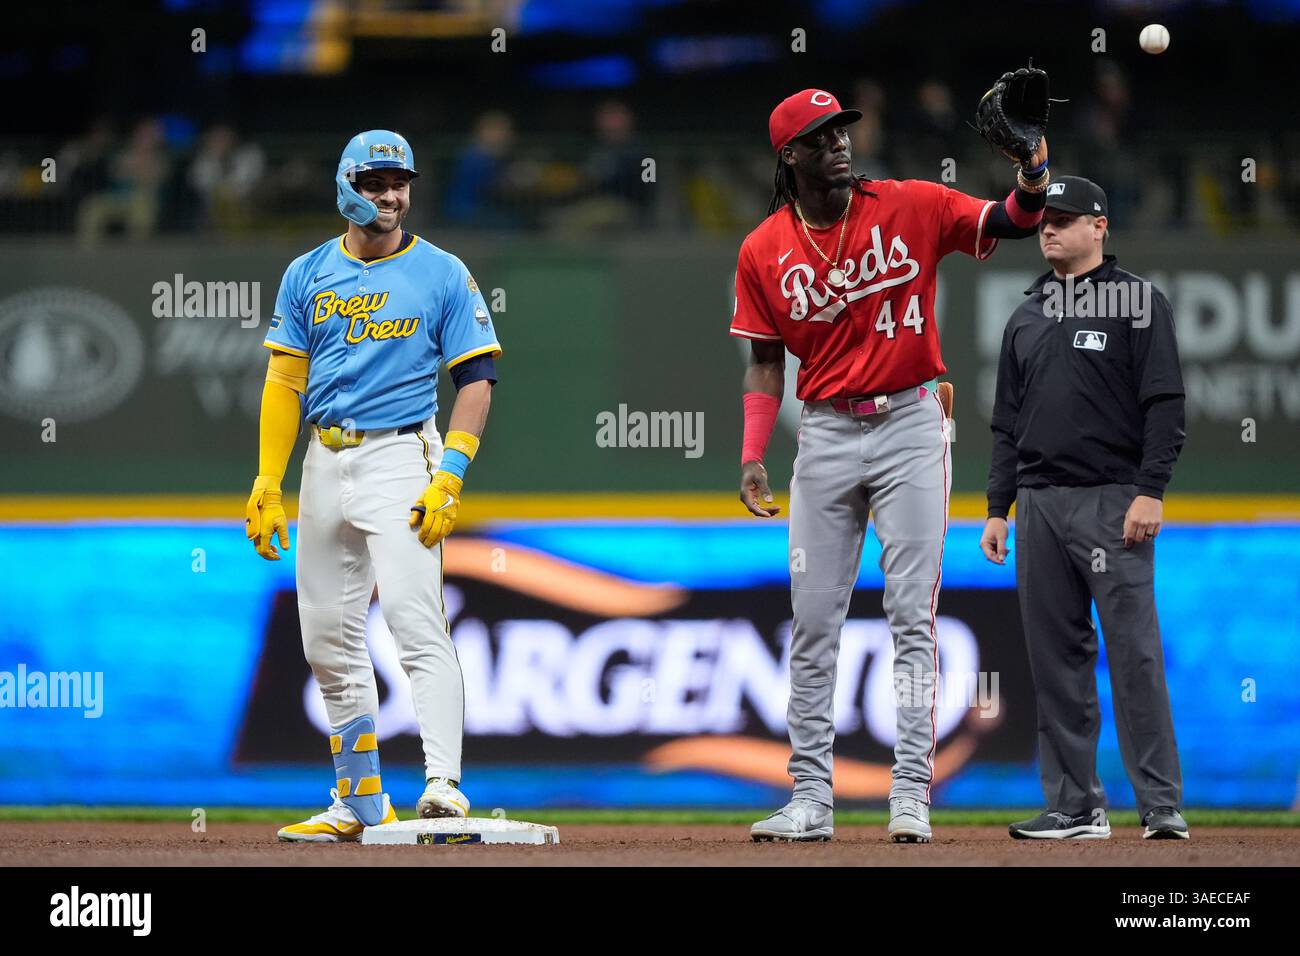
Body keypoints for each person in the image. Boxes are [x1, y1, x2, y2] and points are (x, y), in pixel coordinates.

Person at [733, 87, 1052, 843]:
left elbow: (1011, 220)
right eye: (822, 136)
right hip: (826, 433)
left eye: (843, 129)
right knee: (812, 623)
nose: (841, 143)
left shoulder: (909, 202)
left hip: (911, 421)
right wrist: (752, 455)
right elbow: (764, 365)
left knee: (913, 616)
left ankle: (911, 792)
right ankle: (810, 798)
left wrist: (1034, 168)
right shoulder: (763, 249)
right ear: (791, 155)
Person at [244, 130, 502, 842]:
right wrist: (269, 479)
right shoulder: (307, 273)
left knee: (416, 621)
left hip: (402, 455)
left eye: (400, 182)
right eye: (375, 182)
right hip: (324, 462)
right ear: (344, 187)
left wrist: (451, 474)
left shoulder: (444, 272)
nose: (391, 196)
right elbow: (285, 379)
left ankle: (444, 784)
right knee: (326, 637)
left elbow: (477, 378)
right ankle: (359, 802)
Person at [981, 176, 1189, 841]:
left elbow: (1166, 405)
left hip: (1112, 500)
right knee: (1055, 660)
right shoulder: (1026, 315)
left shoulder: (1137, 302)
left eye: (1065, 219)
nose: (1049, 227)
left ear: (1100, 227)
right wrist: (997, 507)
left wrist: (1150, 489)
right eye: (1045, 218)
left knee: (1135, 657)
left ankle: (1160, 807)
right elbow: (1006, 425)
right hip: (1039, 504)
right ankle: (1076, 807)